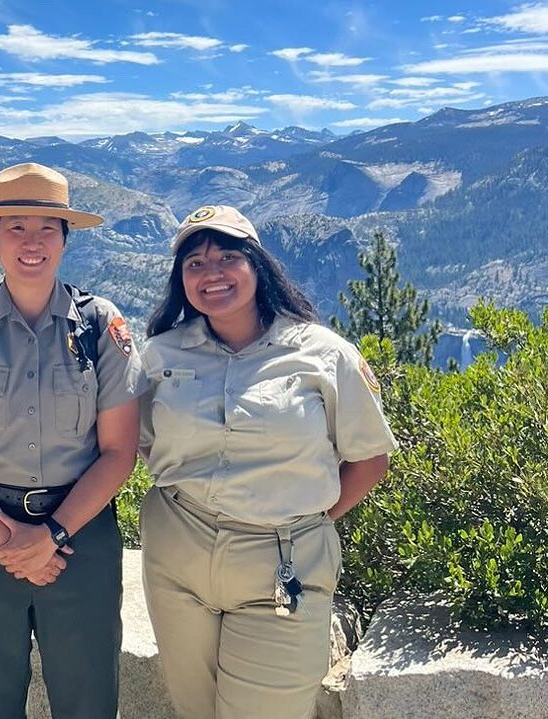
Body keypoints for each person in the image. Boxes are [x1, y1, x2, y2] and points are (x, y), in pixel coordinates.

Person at [138, 205, 397, 719]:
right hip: (178, 554)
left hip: (283, 562)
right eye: (195, 263)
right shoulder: (160, 355)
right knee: (195, 710)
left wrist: (305, 524)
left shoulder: (324, 355)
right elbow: (146, 442)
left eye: (227, 257)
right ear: (180, 280)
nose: (211, 273)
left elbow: (369, 457)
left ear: (258, 265)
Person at [0, 163, 144, 719]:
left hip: (81, 536)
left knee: (89, 700)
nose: (31, 242)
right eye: (15, 227)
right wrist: (9, 539)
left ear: (66, 239)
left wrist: (51, 535)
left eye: (47, 228)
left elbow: (119, 452)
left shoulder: (100, 326)